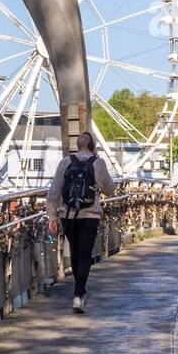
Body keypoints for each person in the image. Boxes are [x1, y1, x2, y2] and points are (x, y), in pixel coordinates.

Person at [45, 132, 115, 313]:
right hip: (89, 216)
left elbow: (54, 192)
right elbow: (110, 189)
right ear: (92, 146)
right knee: (85, 255)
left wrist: (52, 217)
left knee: (76, 254)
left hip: (68, 216)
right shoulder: (97, 163)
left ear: (77, 145)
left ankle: (79, 289)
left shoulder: (65, 162)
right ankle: (78, 295)